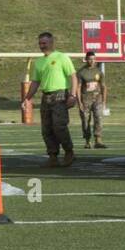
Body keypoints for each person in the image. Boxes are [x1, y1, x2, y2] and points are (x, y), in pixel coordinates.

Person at [23, 32, 80, 167]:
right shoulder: (38, 62)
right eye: (40, 43)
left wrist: (72, 95)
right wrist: (27, 99)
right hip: (46, 97)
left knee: (59, 126)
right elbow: (35, 82)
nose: (42, 46)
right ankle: (53, 155)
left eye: (44, 43)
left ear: (52, 42)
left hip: (60, 95)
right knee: (46, 129)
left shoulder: (62, 57)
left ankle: (69, 152)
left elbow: (73, 76)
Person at [76, 52, 108, 149]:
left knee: (98, 118)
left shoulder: (98, 71)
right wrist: (79, 102)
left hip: (97, 98)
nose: (92, 61)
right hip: (86, 99)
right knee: (85, 120)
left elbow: (103, 87)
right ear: (86, 59)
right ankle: (87, 140)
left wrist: (104, 101)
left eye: (93, 59)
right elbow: (78, 87)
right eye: (90, 59)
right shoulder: (81, 72)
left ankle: (98, 140)